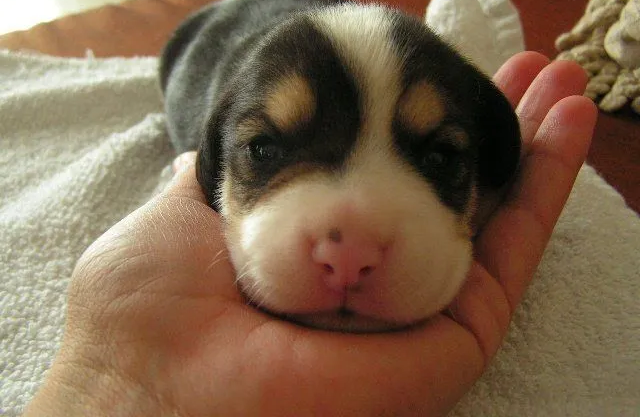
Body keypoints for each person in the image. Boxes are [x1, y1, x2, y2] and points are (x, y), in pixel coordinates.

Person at [23, 51, 596, 417]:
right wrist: (121, 381)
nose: (352, 255)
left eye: (440, 157)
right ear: (204, 167)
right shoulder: (216, 119)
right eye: (266, 150)